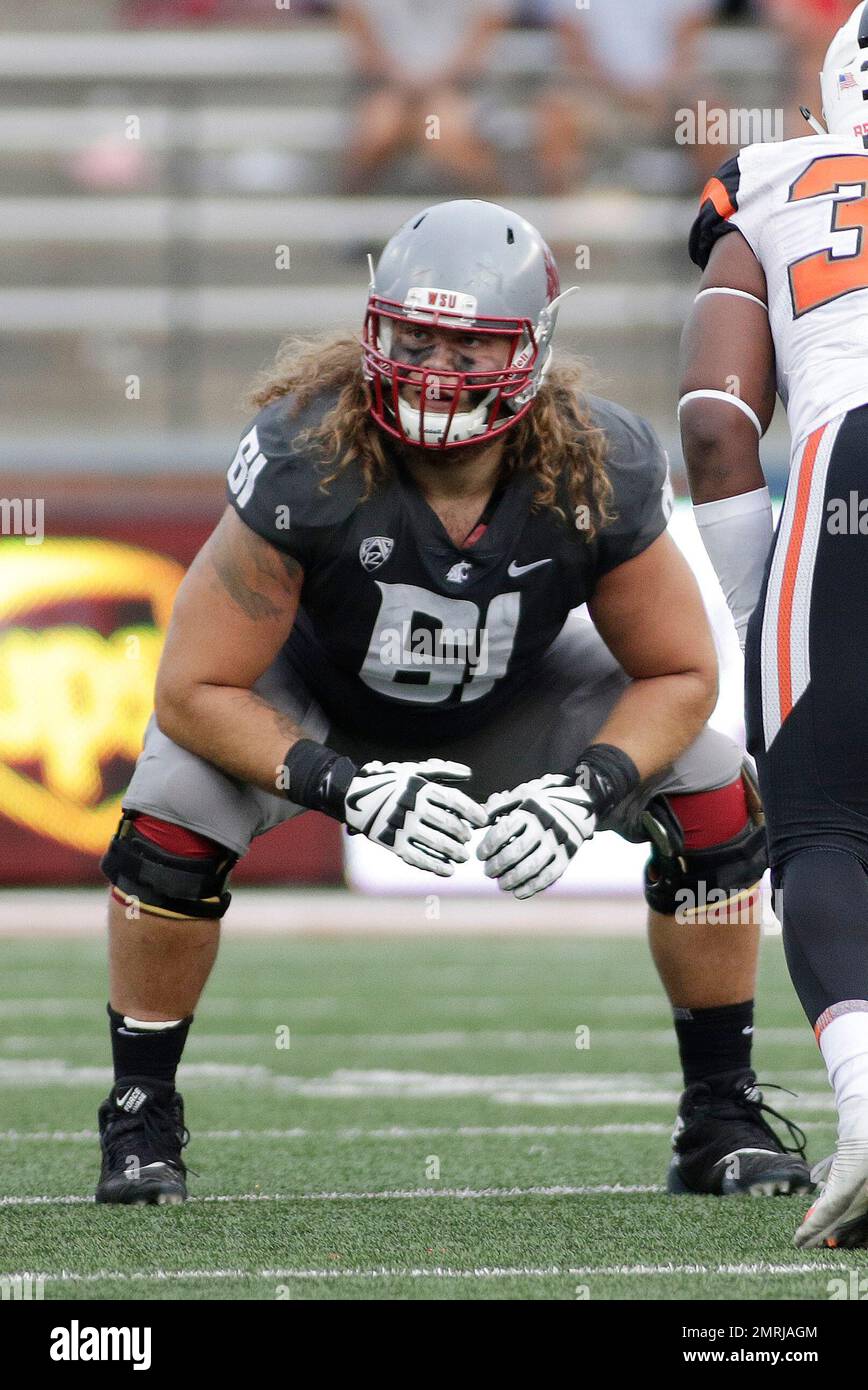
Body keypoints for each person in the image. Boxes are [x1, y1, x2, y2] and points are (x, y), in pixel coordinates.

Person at [96, 199, 809, 1205]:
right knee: (170, 810)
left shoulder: (596, 464)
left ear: (531, 354)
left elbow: (683, 673)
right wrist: (342, 785)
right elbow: (192, 686)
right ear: (373, 326)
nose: (436, 367)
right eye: (415, 335)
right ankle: (140, 1116)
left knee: (711, 790)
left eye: (470, 347)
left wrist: (588, 785)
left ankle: (721, 1116)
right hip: (321, 700)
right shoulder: (310, 453)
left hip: (511, 698)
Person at [679, 0, 868, 1248]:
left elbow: (711, 422)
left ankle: (864, 1103)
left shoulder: (772, 177)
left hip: (849, 473)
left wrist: (756, 603)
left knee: (820, 818)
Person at [536, 0, 721, 193]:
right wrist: (621, 93)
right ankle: (564, 212)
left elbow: (688, 41)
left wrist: (658, 91)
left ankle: (709, 213)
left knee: (710, 115)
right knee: (557, 117)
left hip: (667, 92)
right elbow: (574, 44)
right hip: (597, 92)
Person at [337, 0, 509, 194]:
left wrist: (429, 85)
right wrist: (407, 83)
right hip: (388, 91)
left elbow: (480, 42)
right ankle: (352, 208)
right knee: (378, 133)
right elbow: (364, 45)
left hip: (454, 92)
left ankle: (491, 208)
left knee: (441, 136)